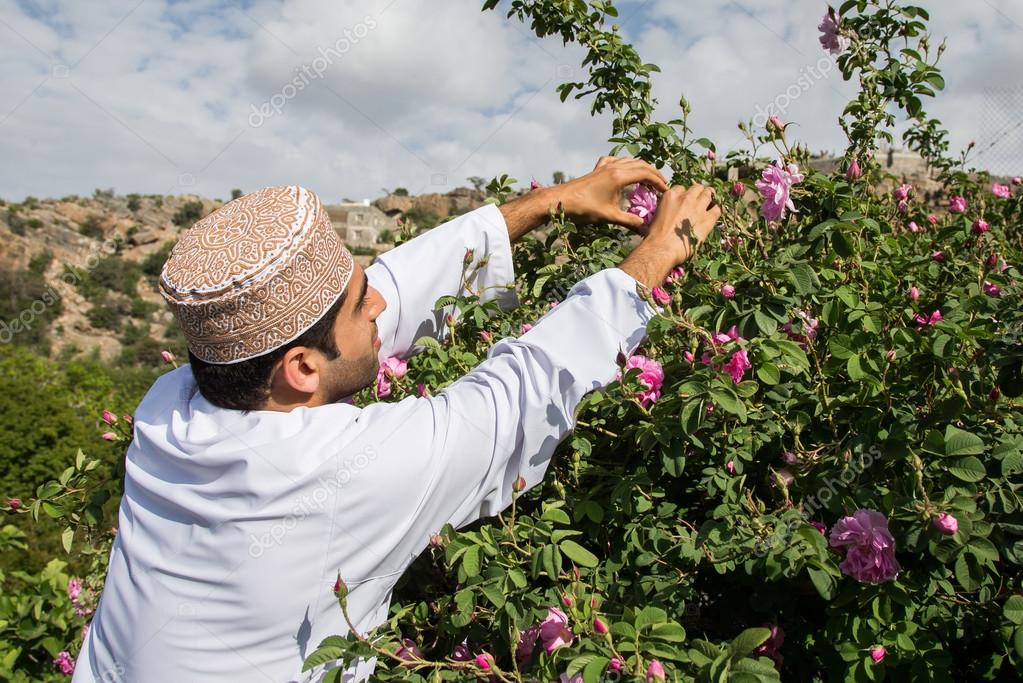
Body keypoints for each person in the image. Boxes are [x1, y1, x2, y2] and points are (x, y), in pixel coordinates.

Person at [71, 157, 719, 682]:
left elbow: (392, 287)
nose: (380, 298)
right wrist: (655, 255)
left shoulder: (172, 403)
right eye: (360, 302)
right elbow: (514, 399)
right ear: (299, 368)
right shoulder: (336, 475)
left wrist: (556, 199)